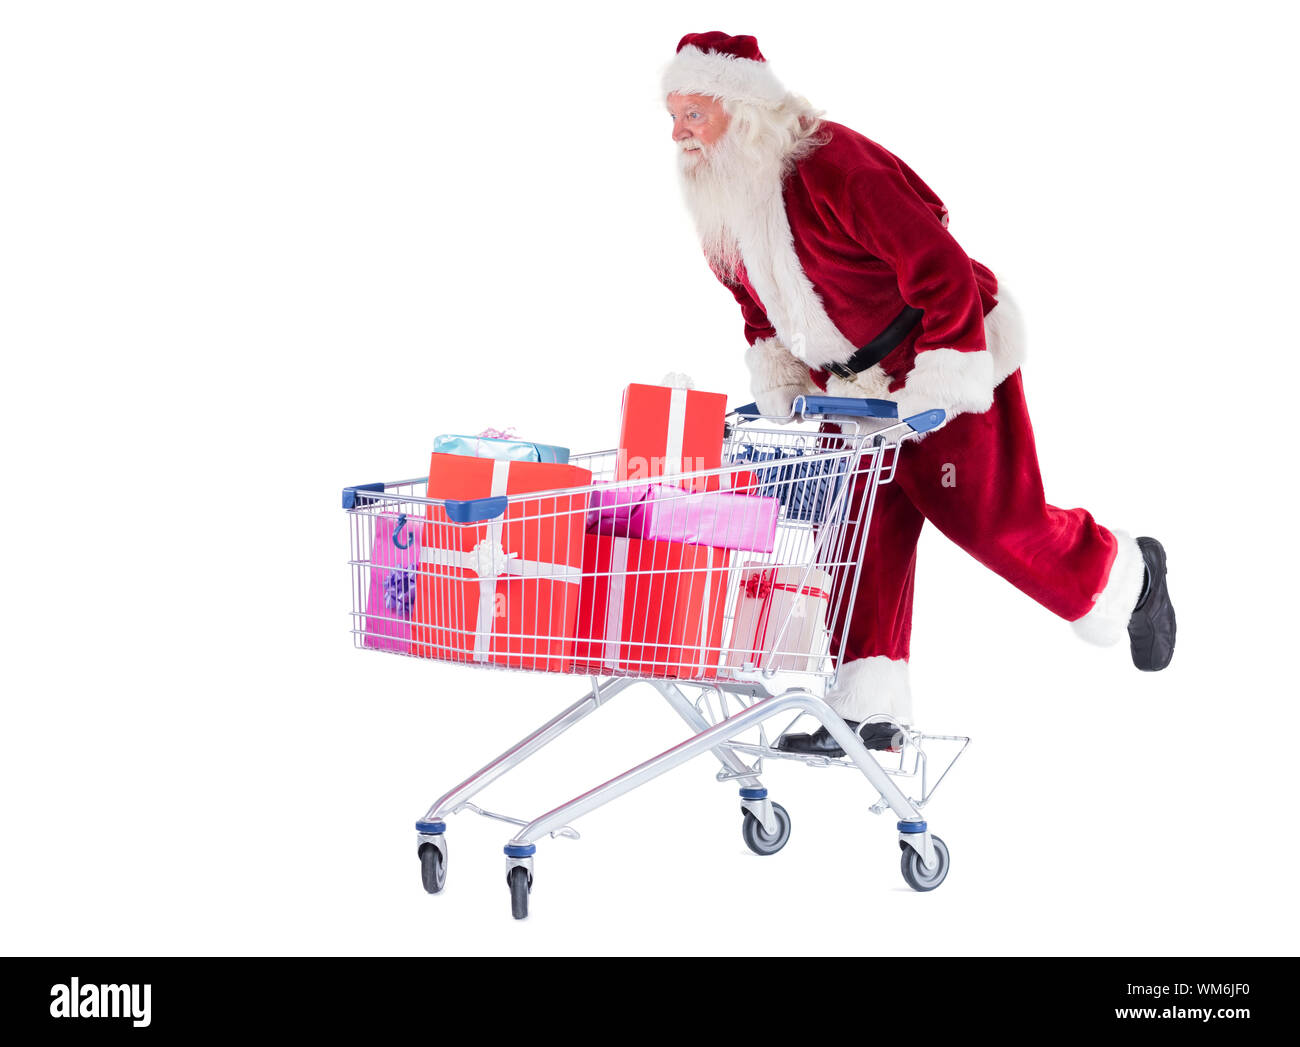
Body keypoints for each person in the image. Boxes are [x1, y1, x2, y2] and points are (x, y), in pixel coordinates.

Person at [665, 31, 1176, 755]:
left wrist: (945, 374)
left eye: (694, 114)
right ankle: (869, 707)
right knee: (857, 540)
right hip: (852, 391)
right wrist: (778, 375)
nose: (679, 134)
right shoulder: (726, 207)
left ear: (743, 110)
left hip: (941, 344)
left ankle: (1126, 573)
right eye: (674, 115)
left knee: (991, 519)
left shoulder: (832, 165)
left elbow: (936, 260)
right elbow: (757, 309)